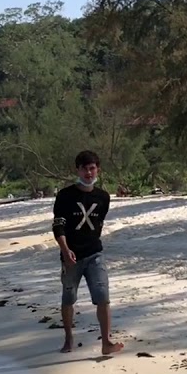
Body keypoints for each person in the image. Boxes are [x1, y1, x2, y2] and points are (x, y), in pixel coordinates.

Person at [52, 150, 125, 356]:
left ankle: (106, 342)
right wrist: (65, 251)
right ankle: (68, 338)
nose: (88, 172)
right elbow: (59, 226)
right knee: (68, 298)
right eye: (84, 168)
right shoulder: (65, 196)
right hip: (71, 255)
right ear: (78, 170)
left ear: (98, 170)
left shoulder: (103, 197)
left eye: (92, 168)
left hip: (95, 254)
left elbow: (98, 224)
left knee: (103, 297)